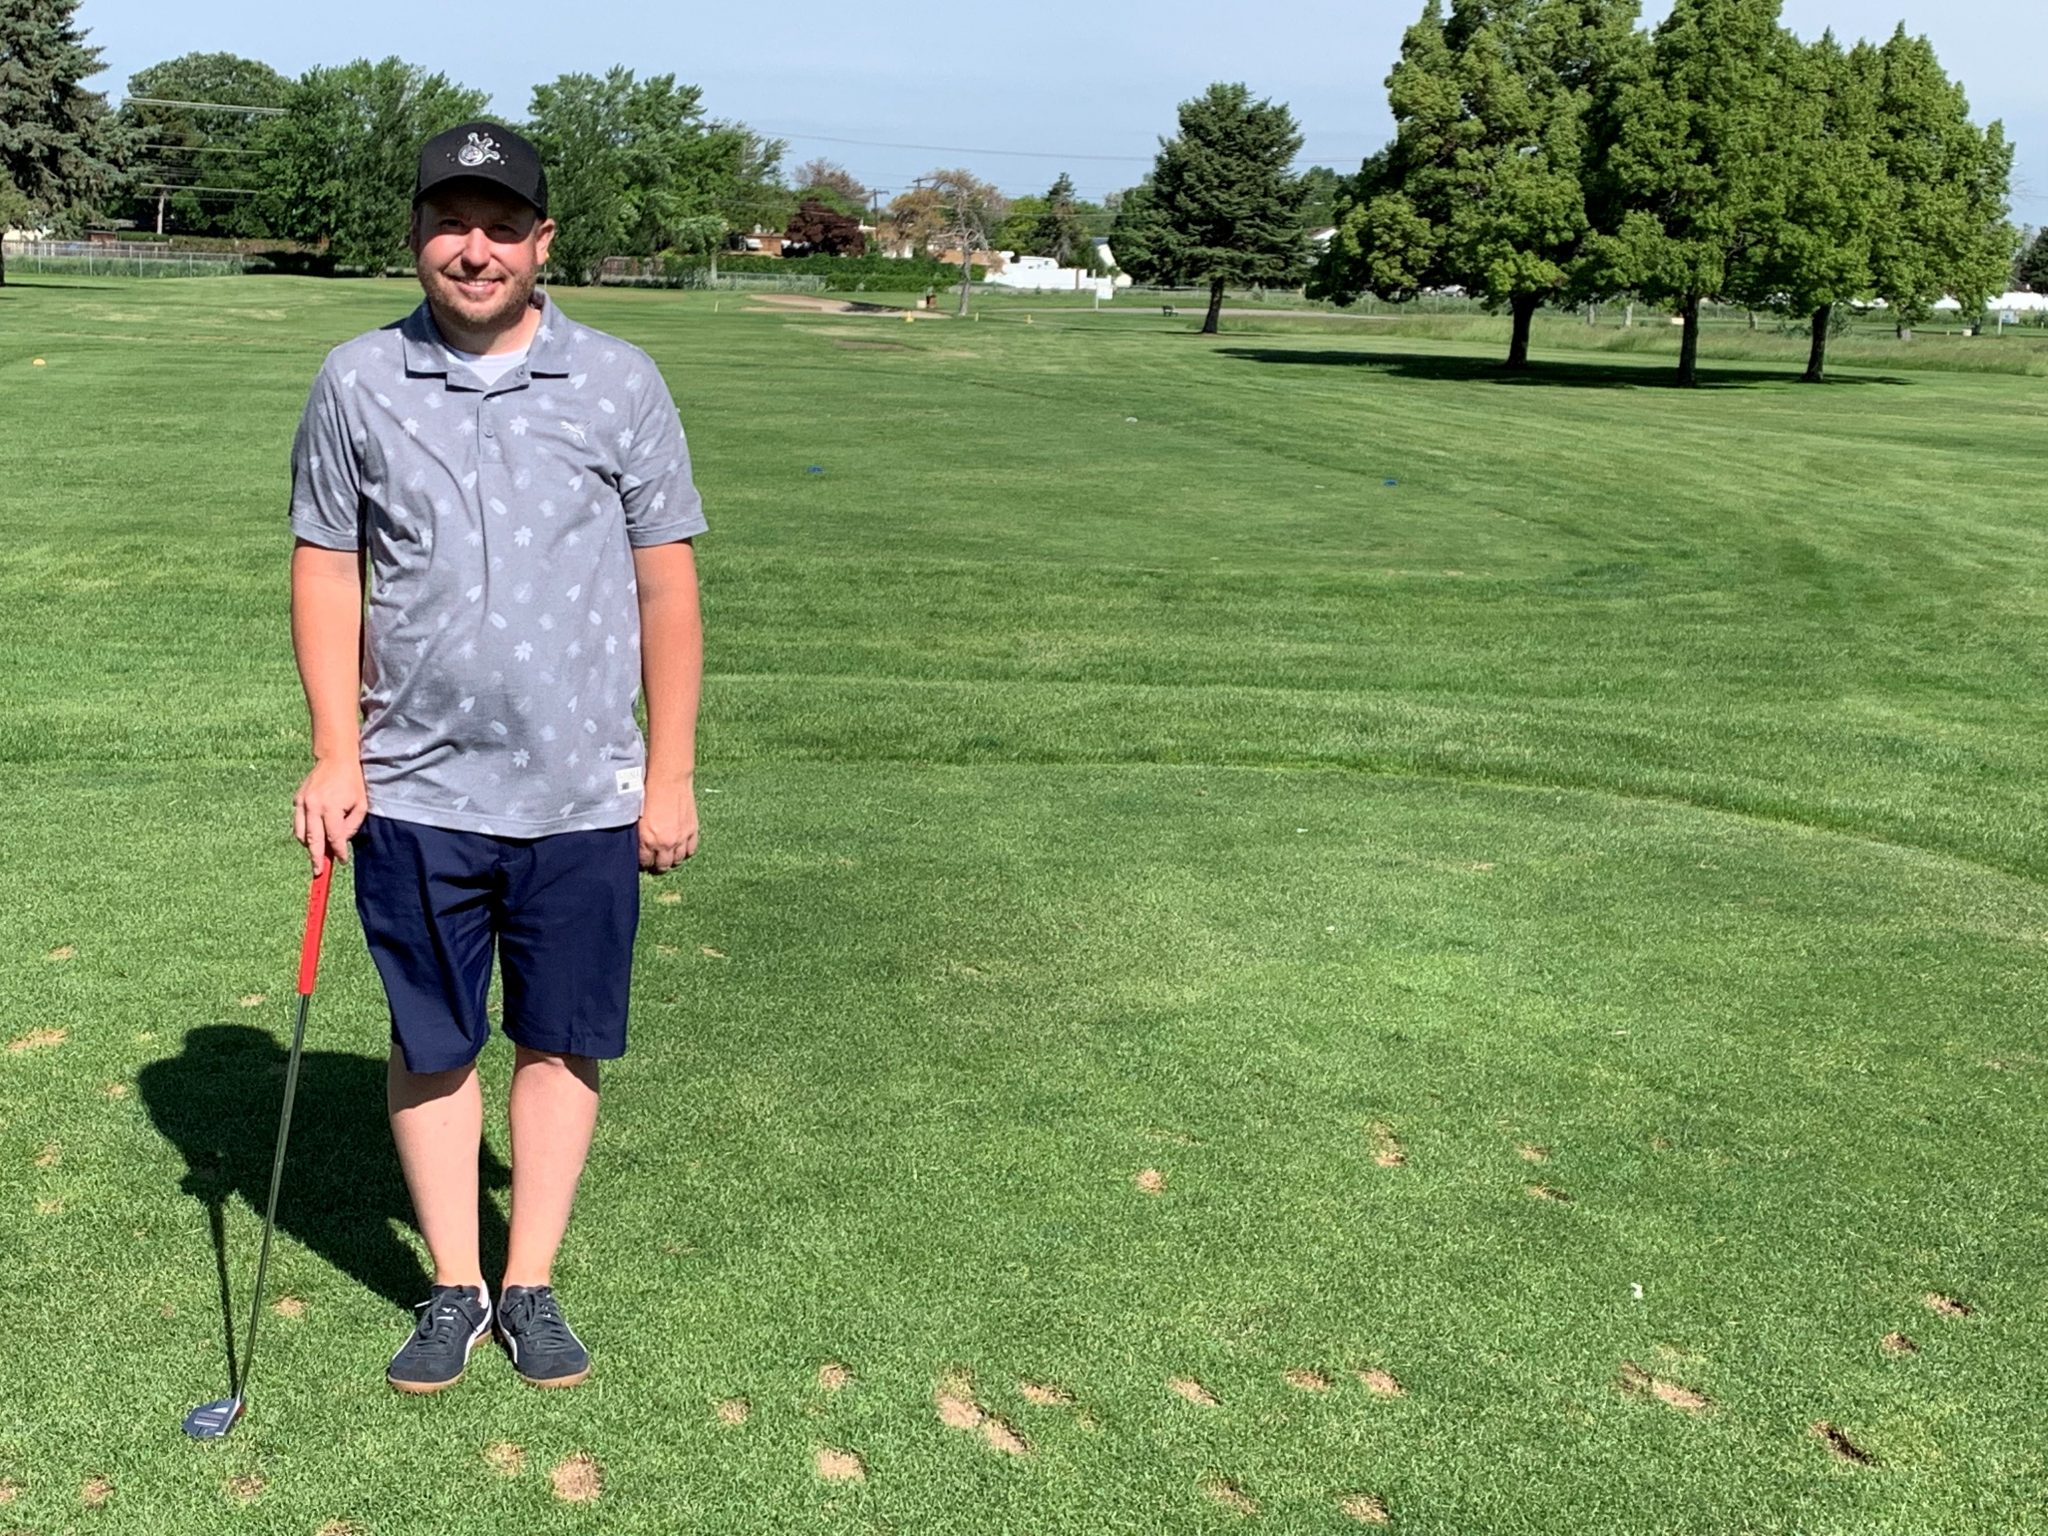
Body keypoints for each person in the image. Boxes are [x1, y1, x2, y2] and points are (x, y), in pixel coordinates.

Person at [286, 121, 706, 1393]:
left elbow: (665, 586)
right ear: (417, 232)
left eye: (500, 225)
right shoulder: (356, 380)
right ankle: (453, 1287)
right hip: (412, 784)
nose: (473, 249)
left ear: (541, 242)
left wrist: (671, 771)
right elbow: (326, 563)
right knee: (431, 1042)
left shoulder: (620, 380)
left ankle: (530, 1284)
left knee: (561, 1040)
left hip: (583, 789)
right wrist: (330, 751)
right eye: (449, 222)